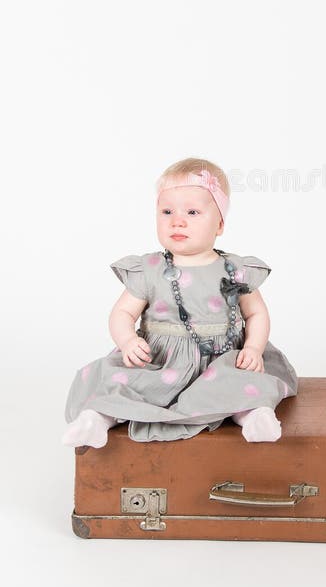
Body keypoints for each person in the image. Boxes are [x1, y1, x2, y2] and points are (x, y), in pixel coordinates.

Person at [63, 157, 297, 447]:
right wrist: (127, 342)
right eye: (167, 211)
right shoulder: (148, 269)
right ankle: (95, 421)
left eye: (193, 211)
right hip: (160, 361)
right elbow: (122, 313)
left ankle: (256, 417)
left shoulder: (234, 269)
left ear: (220, 223)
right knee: (118, 384)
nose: (178, 220)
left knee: (242, 385)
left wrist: (253, 348)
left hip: (221, 359)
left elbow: (256, 314)